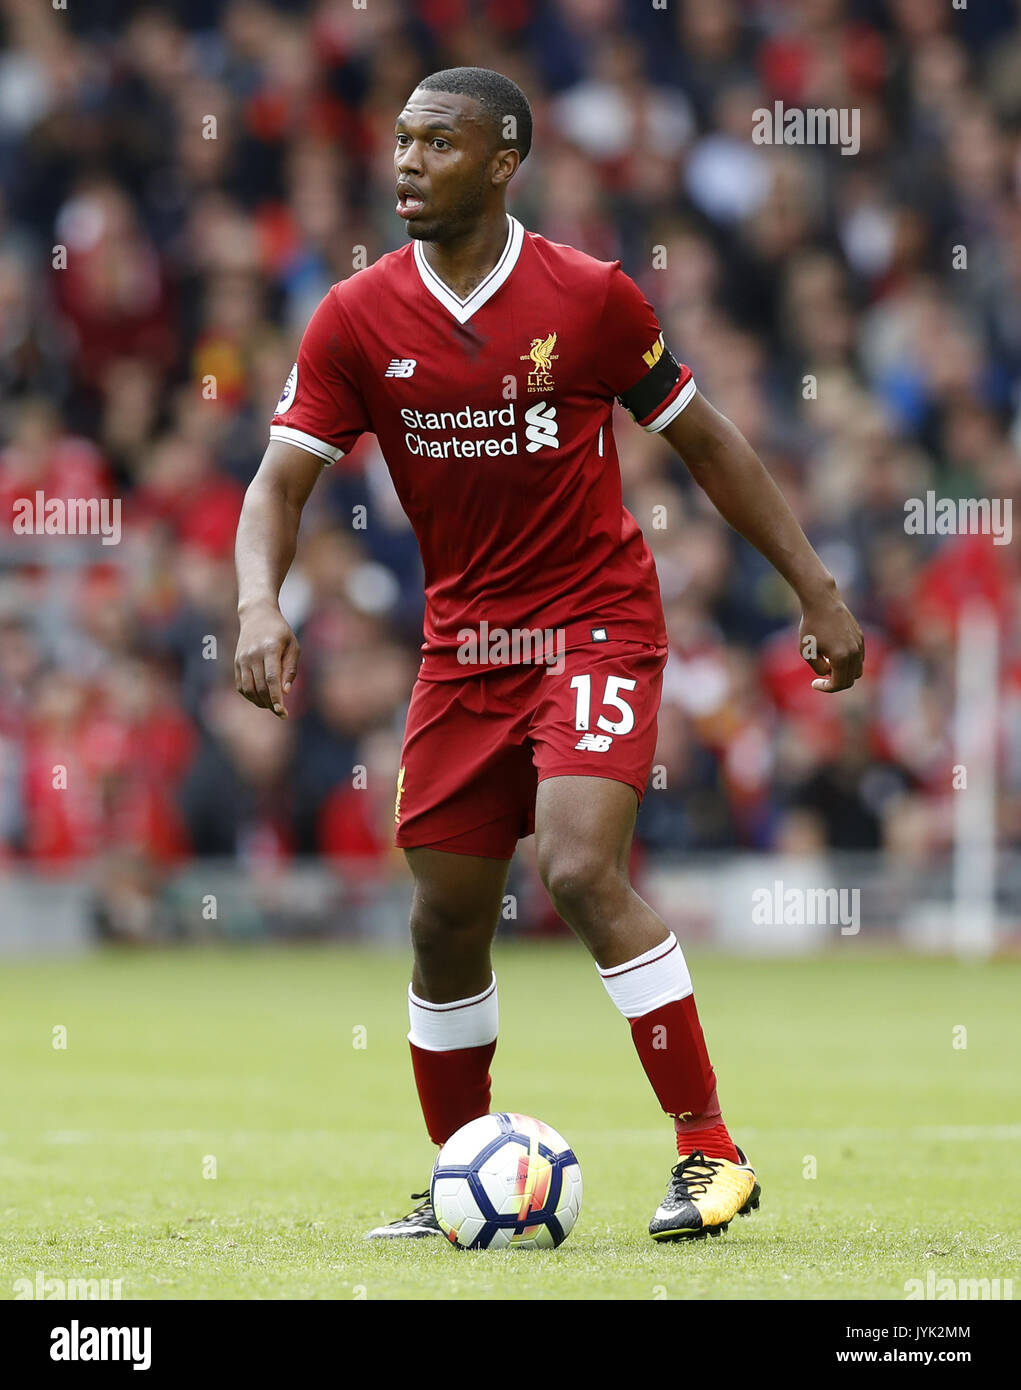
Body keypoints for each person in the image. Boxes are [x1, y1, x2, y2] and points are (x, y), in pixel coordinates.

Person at [233, 67, 864, 1242]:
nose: (407, 163)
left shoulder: (590, 299)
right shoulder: (356, 316)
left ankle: (710, 1152)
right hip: (463, 646)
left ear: (503, 159)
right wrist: (258, 603)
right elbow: (279, 480)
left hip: (593, 622)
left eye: (436, 143)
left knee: (575, 868)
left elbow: (709, 443)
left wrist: (815, 590)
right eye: (402, 142)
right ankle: (459, 1172)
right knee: (444, 921)